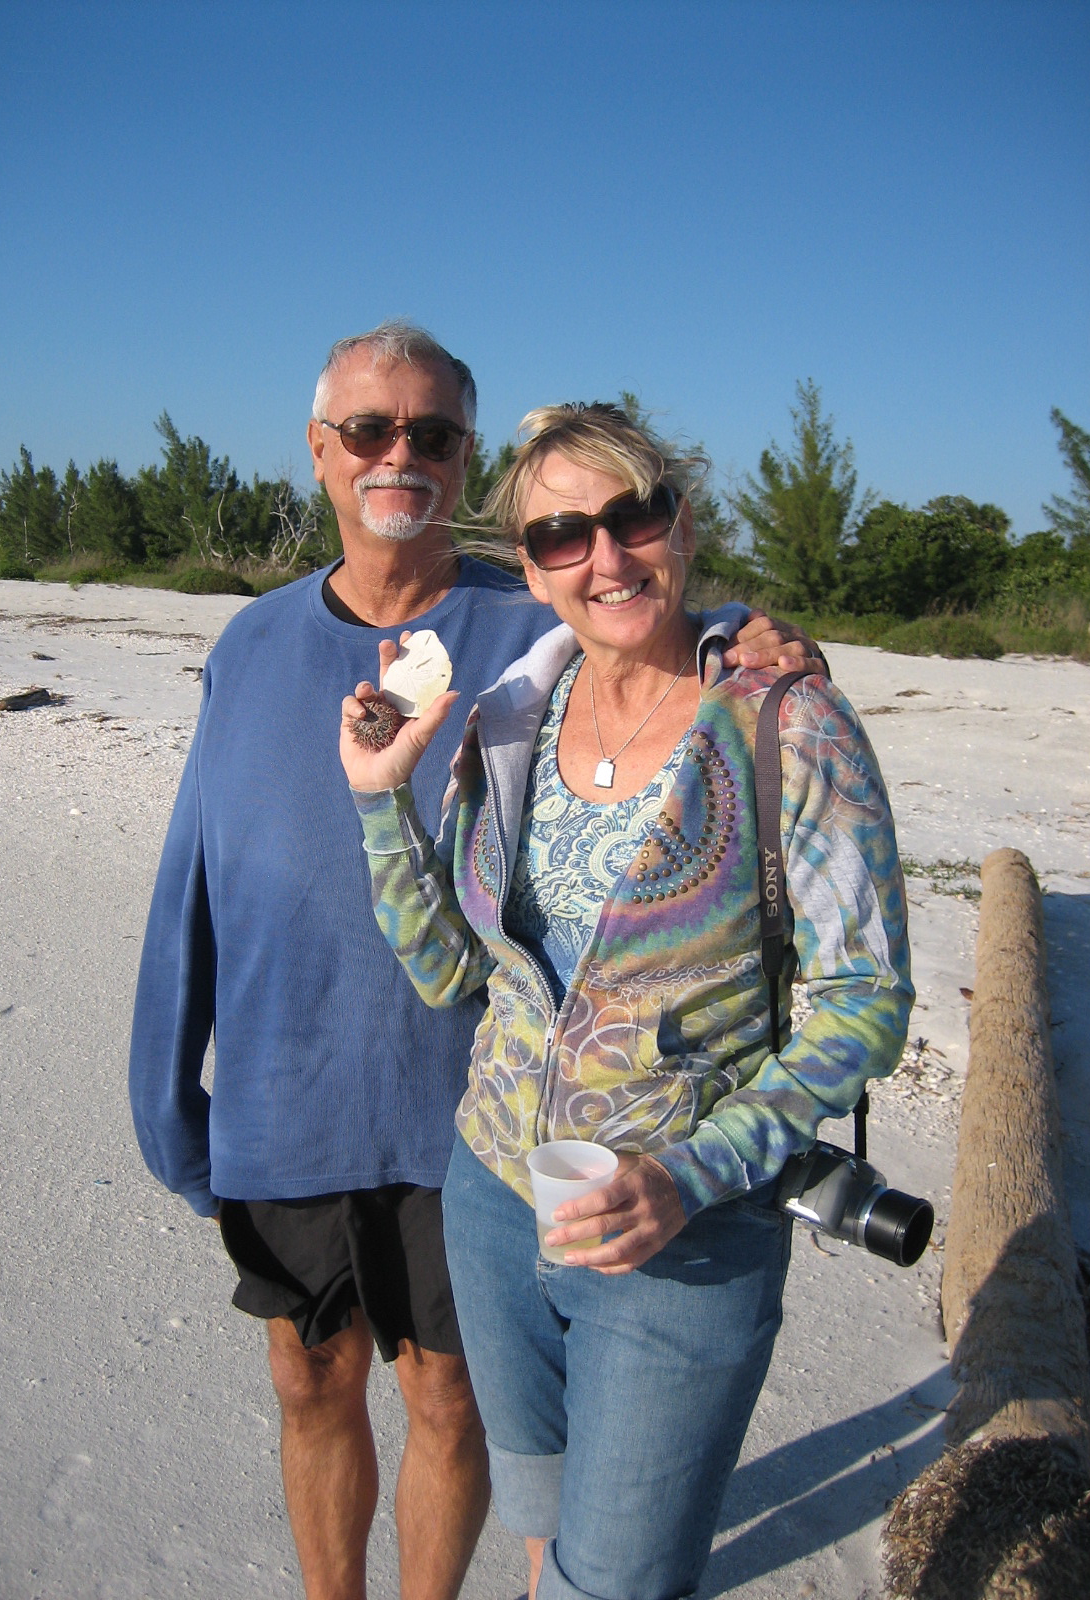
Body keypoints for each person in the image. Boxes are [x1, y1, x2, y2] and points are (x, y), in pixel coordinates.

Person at [129, 324, 826, 1600]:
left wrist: (755, 632)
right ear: (320, 450)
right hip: (285, 1103)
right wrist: (169, 1103)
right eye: (370, 431)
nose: (400, 456)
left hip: (473, 1120)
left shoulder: (531, 624)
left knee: (450, 1399)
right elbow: (194, 884)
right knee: (308, 1377)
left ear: (463, 458)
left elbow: (656, 623)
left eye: (434, 434)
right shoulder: (250, 645)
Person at [339, 401, 913, 1600]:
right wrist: (379, 802)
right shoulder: (509, 720)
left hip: (682, 1239)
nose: (604, 556)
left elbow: (863, 1003)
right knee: (545, 1530)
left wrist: (690, 1173)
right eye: (561, 534)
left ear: (682, 523)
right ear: (532, 566)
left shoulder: (786, 722)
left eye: (631, 516)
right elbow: (453, 972)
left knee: (620, 1581)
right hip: (494, 1203)